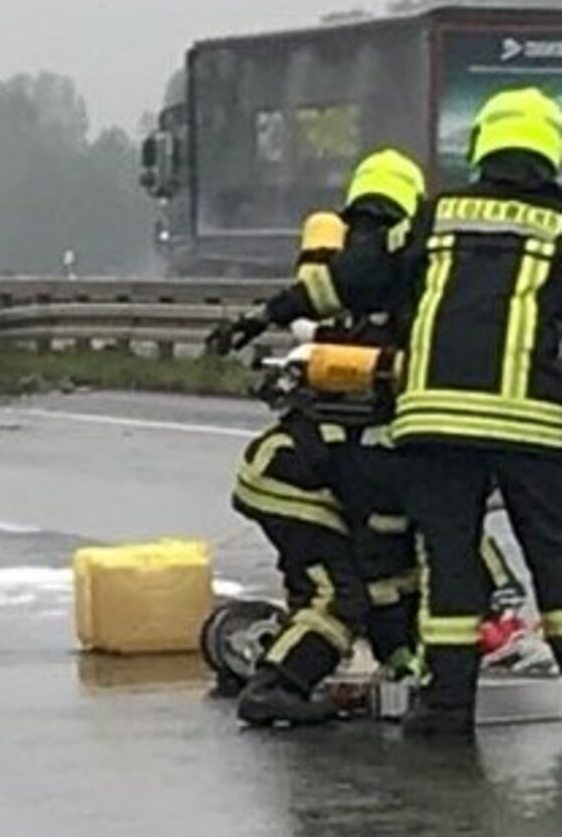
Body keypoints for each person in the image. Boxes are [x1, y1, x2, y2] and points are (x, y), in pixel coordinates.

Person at [230, 90, 562, 737]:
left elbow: (352, 275)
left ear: (482, 148)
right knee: (554, 562)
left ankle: (445, 709)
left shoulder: (437, 216)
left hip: (434, 421)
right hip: (530, 423)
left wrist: (266, 312)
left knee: (451, 562)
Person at [209, 149, 433, 726]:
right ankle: (277, 685)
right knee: (340, 598)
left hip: (284, 471)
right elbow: (385, 562)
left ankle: (282, 655)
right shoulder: (401, 320)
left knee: (335, 582)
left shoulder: (345, 291)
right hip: (295, 482)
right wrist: (405, 659)